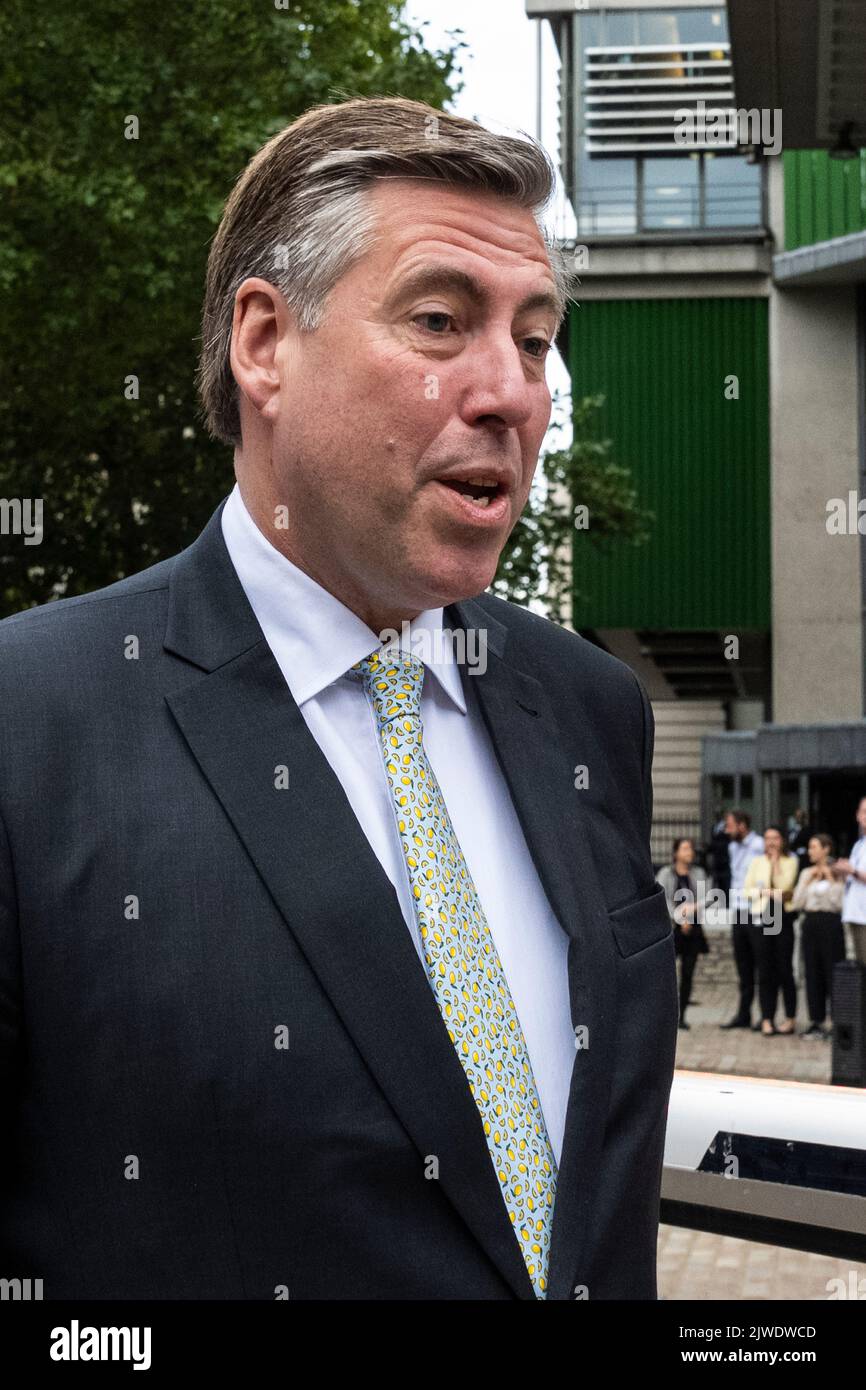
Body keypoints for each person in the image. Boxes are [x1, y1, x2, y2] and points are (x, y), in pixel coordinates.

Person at [0, 97, 678, 1301]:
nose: (513, 392)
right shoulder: (30, 719)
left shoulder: (590, 709)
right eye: (437, 321)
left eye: (533, 339)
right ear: (265, 342)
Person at [743, 826, 799, 1036]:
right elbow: (748, 891)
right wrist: (767, 892)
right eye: (767, 839)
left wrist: (776, 864)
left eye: (775, 838)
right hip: (761, 917)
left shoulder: (790, 861)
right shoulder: (756, 862)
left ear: (782, 840)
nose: (771, 843)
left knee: (785, 969)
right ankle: (767, 1018)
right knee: (765, 970)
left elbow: (786, 887)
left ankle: (791, 1017)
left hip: (782, 917)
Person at [790, 834, 846, 1040]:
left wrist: (831, 878)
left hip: (831, 923)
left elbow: (840, 902)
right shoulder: (806, 872)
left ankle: (836, 1021)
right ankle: (816, 1020)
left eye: (814, 847)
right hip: (811, 923)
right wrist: (809, 880)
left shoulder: (839, 872)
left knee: (832, 972)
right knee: (812, 972)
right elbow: (797, 902)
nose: (810, 851)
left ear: (826, 849)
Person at [656, 838, 709, 1030]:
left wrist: (692, 909)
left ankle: (682, 1015)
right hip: (672, 929)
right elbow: (663, 898)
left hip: (693, 929)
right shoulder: (665, 873)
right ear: (676, 852)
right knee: (666, 975)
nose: (690, 852)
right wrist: (679, 917)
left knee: (688, 973)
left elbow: (707, 898)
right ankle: (664, 1014)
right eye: (685, 848)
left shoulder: (699, 873)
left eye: (691, 849)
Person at [720, 809, 765, 1030]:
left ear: (742, 825)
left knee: (762, 964)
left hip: (757, 910)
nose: (726, 829)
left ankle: (766, 1016)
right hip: (738, 910)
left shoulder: (759, 845)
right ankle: (743, 1014)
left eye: (729, 825)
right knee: (743, 965)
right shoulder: (732, 847)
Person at [833, 796, 866, 965]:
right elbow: (854, 876)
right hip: (855, 914)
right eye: (864, 812)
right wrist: (843, 871)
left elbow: (857, 873)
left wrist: (851, 870)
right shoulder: (859, 845)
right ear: (857, 816)